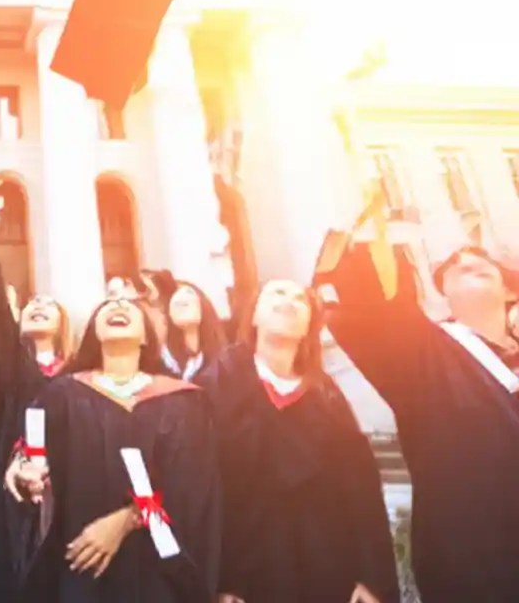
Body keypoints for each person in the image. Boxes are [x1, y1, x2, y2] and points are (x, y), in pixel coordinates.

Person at [319, 195, 519, 601]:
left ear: (508, 290)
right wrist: (365, 232)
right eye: (453, 265)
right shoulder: (424, 353)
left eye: (481, 261)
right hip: (479, 568)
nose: (466, 256)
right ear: (442, 292)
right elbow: (373, 306)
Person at [3, 295, 221, 602]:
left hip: (156, 570)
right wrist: (22, 467)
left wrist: (127, 519)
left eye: (128, 306)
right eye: (106, 305)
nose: (118, 306)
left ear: (147, 336)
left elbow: (195, 491)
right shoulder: (61, 395)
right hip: (79, 563)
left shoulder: (183, 401)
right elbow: (34, 455)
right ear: (93, 332)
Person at [196, 280, 397, 603]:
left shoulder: (326, 396)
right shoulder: (215, 386)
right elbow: (202, 491)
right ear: (254, 316)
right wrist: (222, 581)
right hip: (248, 575)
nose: (289, 300)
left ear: (309, 327)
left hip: (328, 570)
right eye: (277, 292)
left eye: (300, 298)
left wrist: (371, 577)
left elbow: (361, 492)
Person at [0, 176, 73, 603]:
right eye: (31, 304)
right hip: (7, 494)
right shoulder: (14, 368)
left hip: (70, 497)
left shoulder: (79, 375)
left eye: (49, 305)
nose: (39, 306)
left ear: (64, 324)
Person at [161, 281, 226, 381]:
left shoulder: (225, 362)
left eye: (189, 292)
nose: (181, 296)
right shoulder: (162, 361)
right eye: (175, 293)